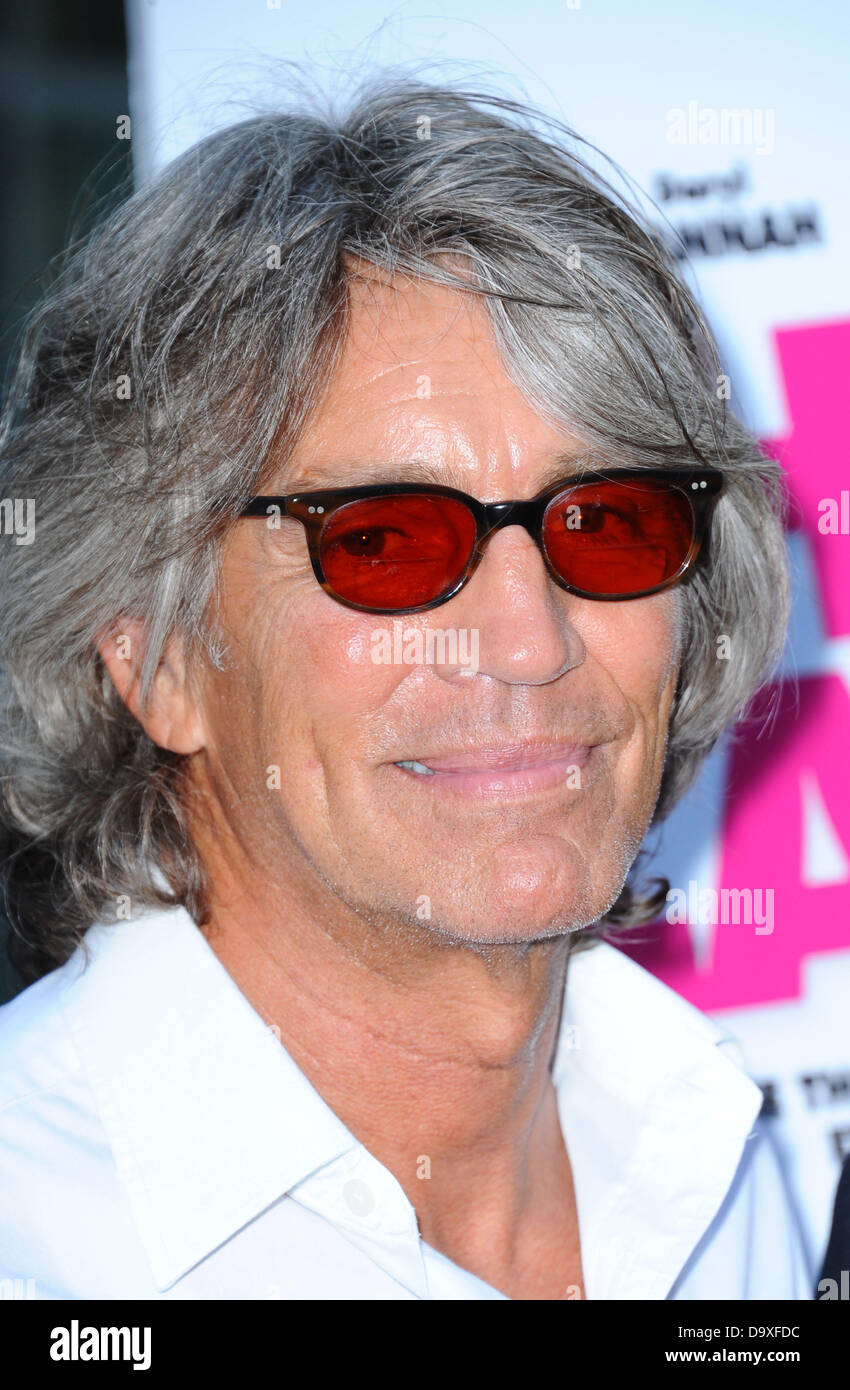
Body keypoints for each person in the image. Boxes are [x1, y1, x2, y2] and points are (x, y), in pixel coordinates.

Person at [0, 77, 810, 1299]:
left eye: (604, 519)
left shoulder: (714, 1168)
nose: (529, 639)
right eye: (382, 540)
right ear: (156, 655)